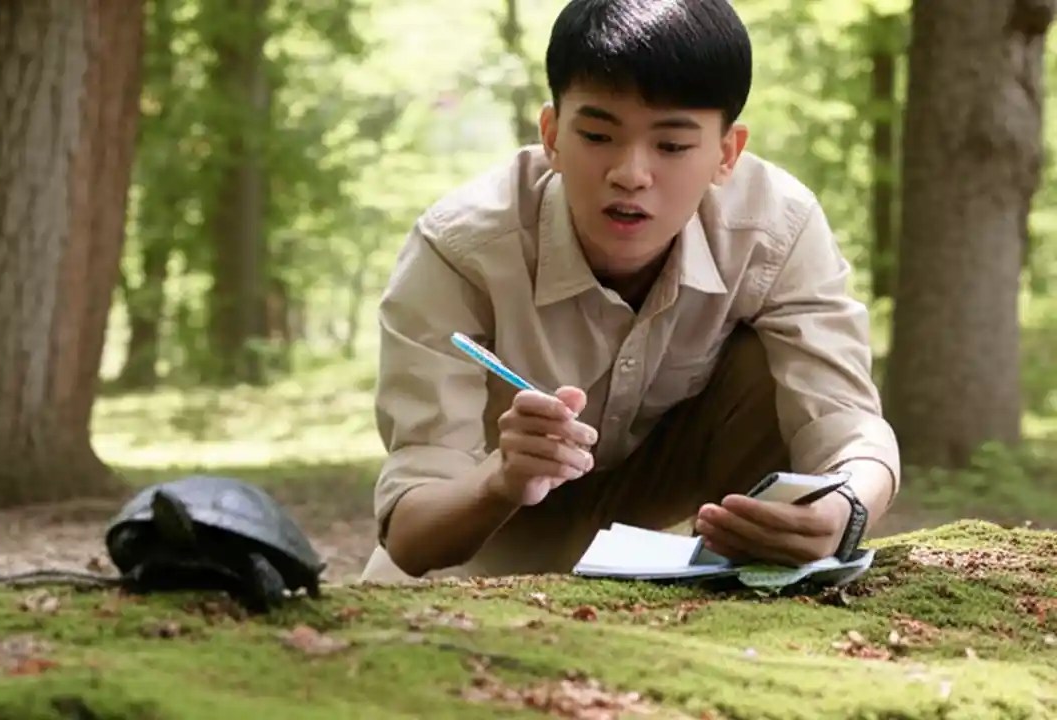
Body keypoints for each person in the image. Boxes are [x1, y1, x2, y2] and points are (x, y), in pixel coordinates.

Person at [359, 0, 900, 583]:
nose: (631, 173)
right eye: (597, 135)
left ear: (727, 154)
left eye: (671, 146)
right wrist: (503, 477)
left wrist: (845, 509)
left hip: (684, 514)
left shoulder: (774, 231)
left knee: (766, 365)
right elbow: (411, 535)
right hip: (491, 528)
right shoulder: (461, 249)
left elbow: (850, 423)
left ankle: (744, 578)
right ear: (552, 136)